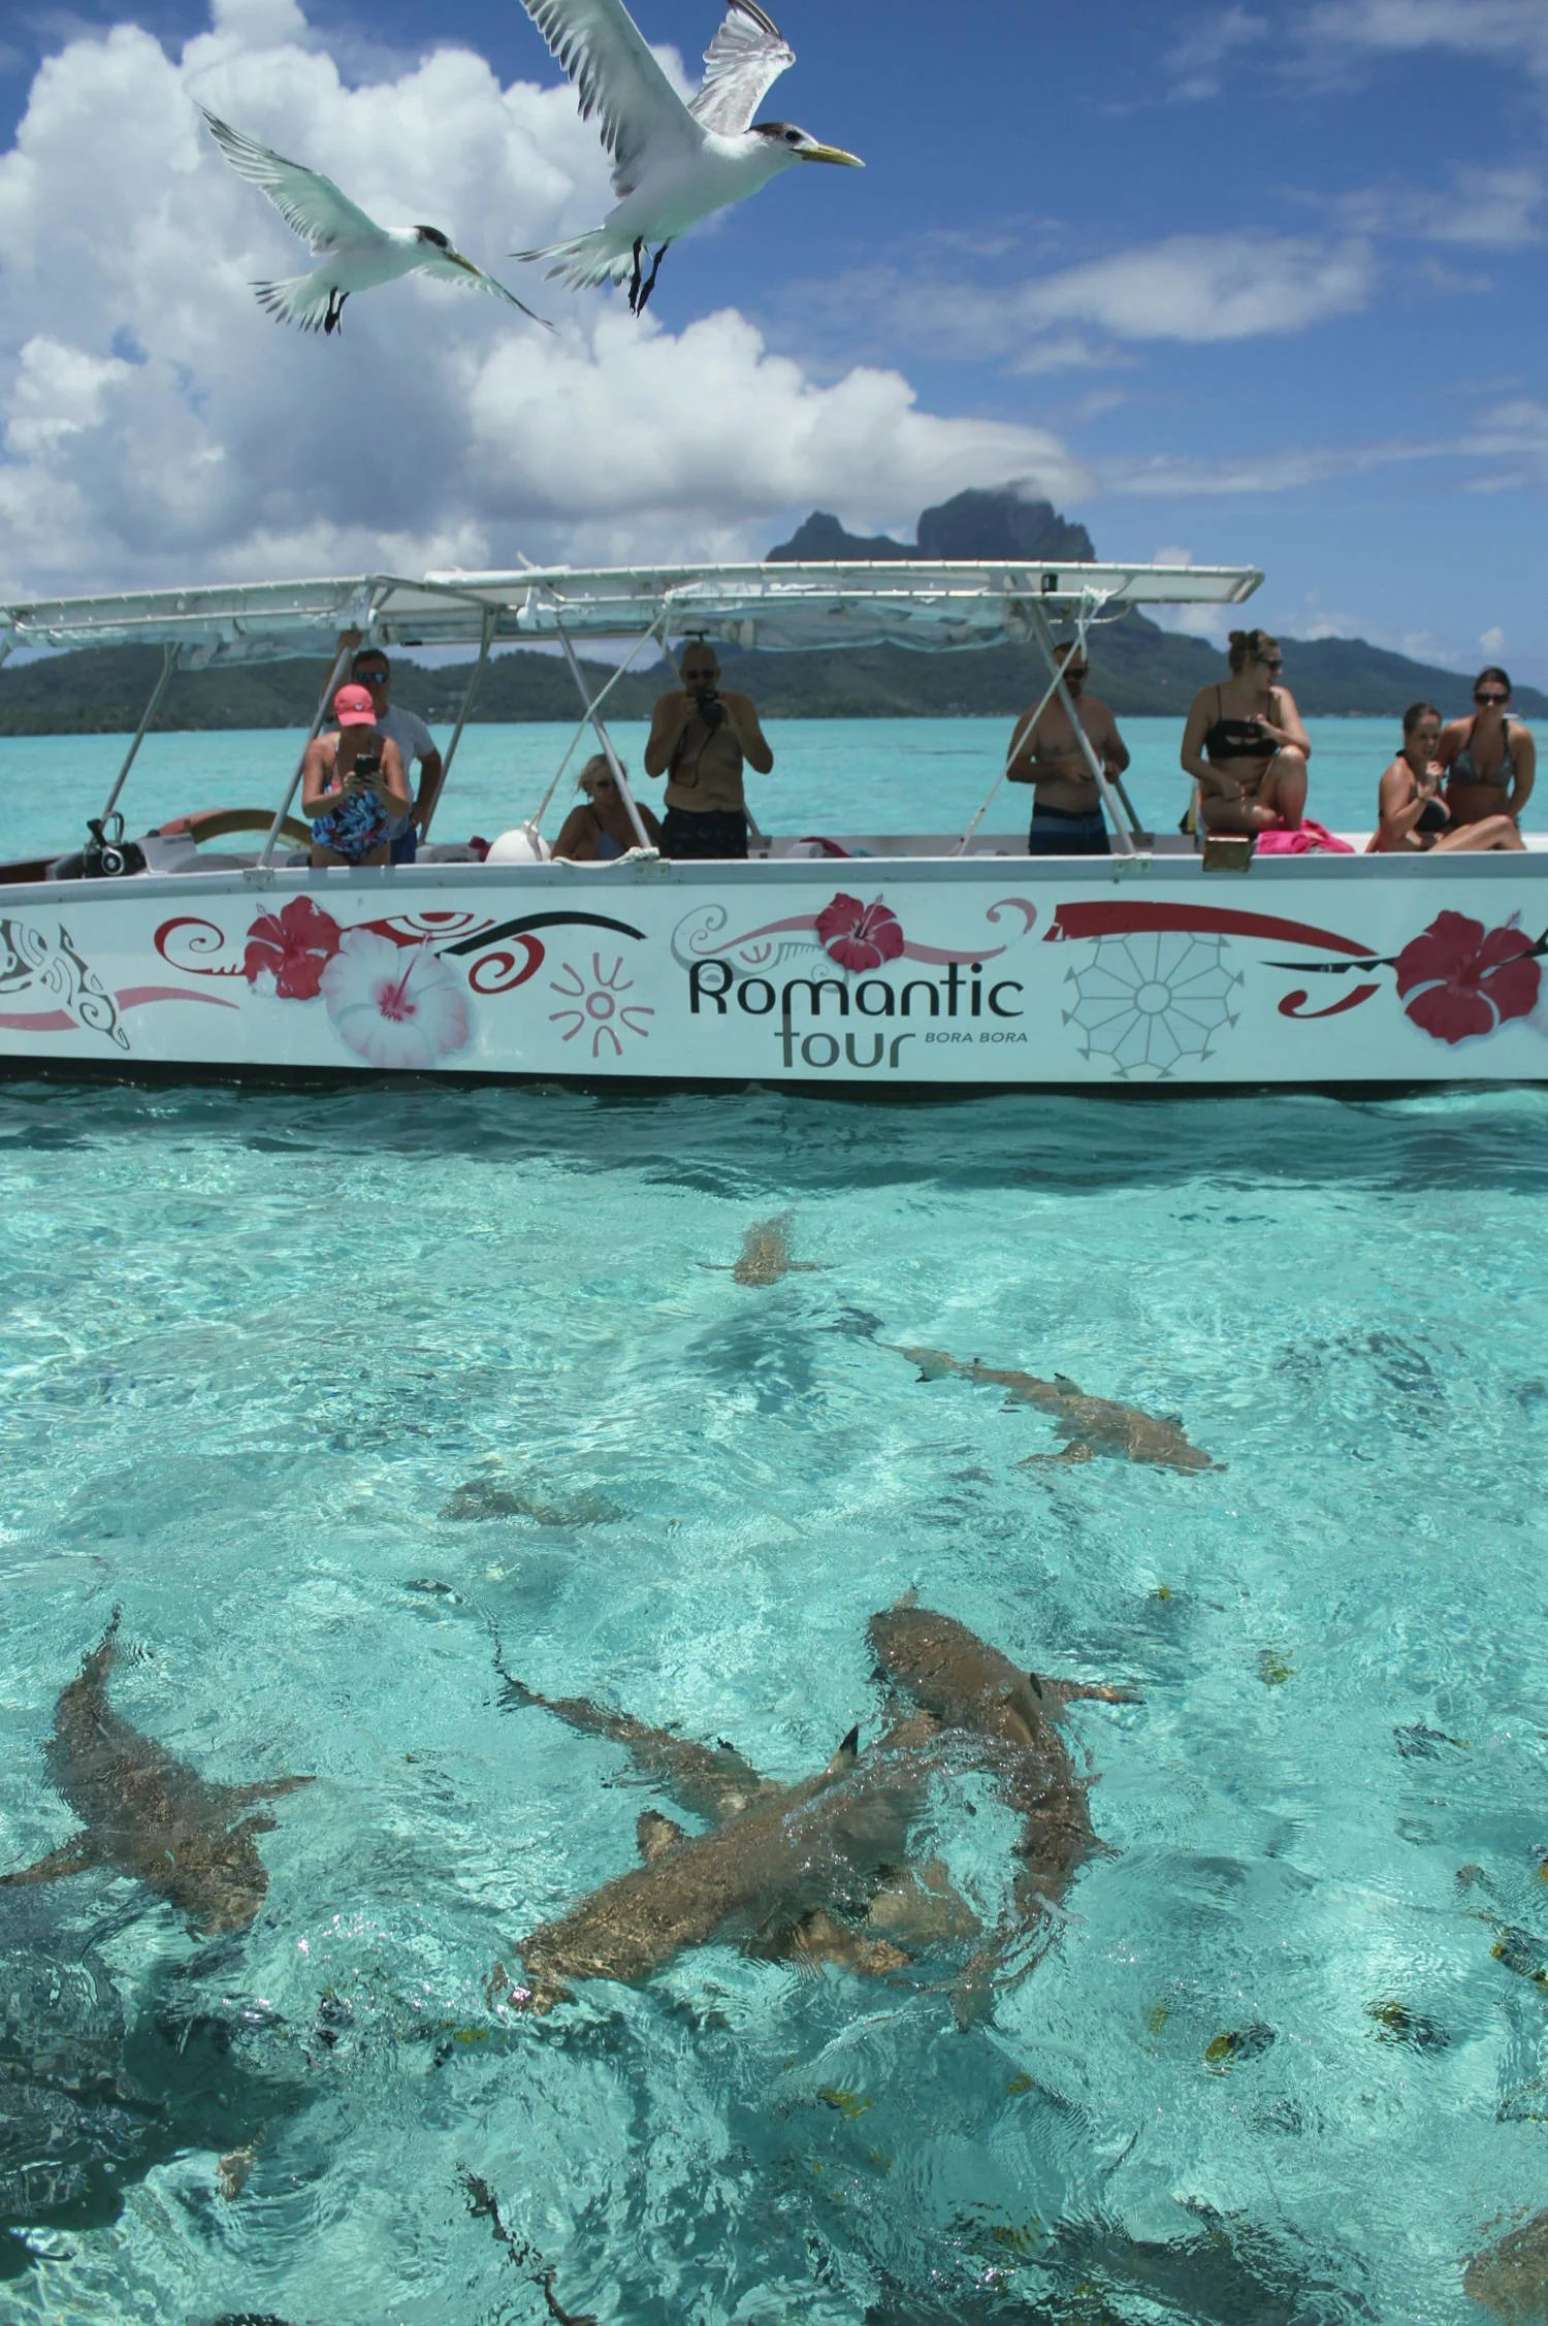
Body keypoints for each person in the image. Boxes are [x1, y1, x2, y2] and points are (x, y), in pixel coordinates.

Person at [643, 641, 773, 860]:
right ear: (683, 675)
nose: (701, 681)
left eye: (707, 674)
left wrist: (735, 727)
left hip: (729, 820)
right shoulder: (669, 706)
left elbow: (764, 765)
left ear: (718, 674)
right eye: (693, 675)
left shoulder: (739, 706)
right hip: (685, 819)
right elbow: (653, 768)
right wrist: (681, 722)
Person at [1180, 628, 1310, 836]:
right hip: (1223, 800)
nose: (1279, 673)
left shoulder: (1279, 698)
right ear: (1250, 661)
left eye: (1280, 665)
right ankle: (1275, 827)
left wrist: (1274, 733)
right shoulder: (1209, 699)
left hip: (1265, 794)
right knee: (1263, 818)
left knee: (1293, 756)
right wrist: (1223, 781)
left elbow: (1305, 749)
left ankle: (1293, 834)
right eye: (1273, 665)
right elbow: (1188, 758)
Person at [1005, 641, 1130, 855]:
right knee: (1049, 889)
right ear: (1053, 672)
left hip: (1094, 821)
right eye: (1064, 673)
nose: (1071, 679)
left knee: (1099, 888)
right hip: (1053, 821)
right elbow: (1014, 770)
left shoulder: (1100, 712)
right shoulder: (1036, 716)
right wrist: (1059, 769)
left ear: (1086, 673)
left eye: (1077, 673)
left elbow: (1121, 756)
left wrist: (1113, 767)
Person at [1370, 702, 1524, 854]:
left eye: (1435, 736)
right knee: (1502, 825)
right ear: (1406, 736)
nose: (1430, 743)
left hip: (1432, 853)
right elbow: (1391, 830)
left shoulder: (1428, 771)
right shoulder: (1399, 773)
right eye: (1422, 737)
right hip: (1416, 861)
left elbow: (1389, 823)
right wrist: (1424, 796)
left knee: (1473, 829)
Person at [349, 647, 443, 866]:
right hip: (350, 835)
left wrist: (423, 806)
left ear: (389, 681)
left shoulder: (407, 723)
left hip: (398, 832)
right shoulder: (337, 724)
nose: (372, 684)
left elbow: (432, 761)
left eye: (379, 677)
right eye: (364, 677)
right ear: (352, 681)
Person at [301, 683, 410, 867]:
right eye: (352, 723)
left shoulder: (387, 749)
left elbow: (401, 808)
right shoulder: (320, 750)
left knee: (374, 894)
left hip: (375, 848)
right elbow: (309, 809)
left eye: (363, 721)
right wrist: (342, 793)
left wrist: (381, 790)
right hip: (330, 847)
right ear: (338, 716)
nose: (358, 728)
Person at [1437, 664, 1535, 837]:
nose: (1490, 704)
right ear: (1474, 699)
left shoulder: (1520, 739)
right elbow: (1432, 778)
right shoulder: (1455, 733)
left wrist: (1506, 819)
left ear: (1508, 701)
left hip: (1499, 829)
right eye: (1483, 698)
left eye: (1498, 699)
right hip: (1454, 827)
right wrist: (1443, 819)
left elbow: (1523, 788)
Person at [552, 755, 663, 861]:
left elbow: (667, 848)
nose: (612, 790)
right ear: (588, 786)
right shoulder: (583, 817)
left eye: (617, 783)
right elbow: (558, 855)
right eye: (603, 784)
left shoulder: (640, 813)